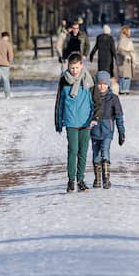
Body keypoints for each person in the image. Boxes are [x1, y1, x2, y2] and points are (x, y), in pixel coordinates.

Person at [54, 52, 95, 192]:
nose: (75, 71)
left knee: (83, 152)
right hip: (71, 121)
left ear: (81, 66)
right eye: (72, 68)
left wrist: (94, 117)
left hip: (85, 121)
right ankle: (71, 180)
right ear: (68, 67)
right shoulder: (64, 81)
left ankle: (81, 180)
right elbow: (59, 103)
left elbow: (93, 101)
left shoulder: (88, 80)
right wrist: (58, 121)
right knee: (73, 150)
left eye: (77, 68)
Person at [90, 71, 125, 189]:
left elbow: (119, 116)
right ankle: (97, 179)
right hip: (94, 130)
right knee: (96, 154)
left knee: (105, 151)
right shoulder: (91, 96)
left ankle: (106, 179)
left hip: (107, 130)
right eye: (99, 84)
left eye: (104, 84)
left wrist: (121, 132)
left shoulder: (113, 98)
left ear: (108, 85)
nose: (102, 86)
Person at [0, 31, 14, 98]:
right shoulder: (8, 44)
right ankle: (7, 95)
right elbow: (10, 55)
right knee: (6, 80)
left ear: (2, 36)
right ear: (7, 37)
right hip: (5, 64)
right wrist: (10, 61)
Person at [114, 25, 137, 93]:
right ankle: (124, 89)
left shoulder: (123, 39)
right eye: (129, 31)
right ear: (126, 32)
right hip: (125, 61)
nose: (130, 32)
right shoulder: (123, 40)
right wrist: (127, 54)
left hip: (126, 60)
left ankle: (124, 89)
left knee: (125, 76)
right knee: (125, 76)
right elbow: (120, 50)